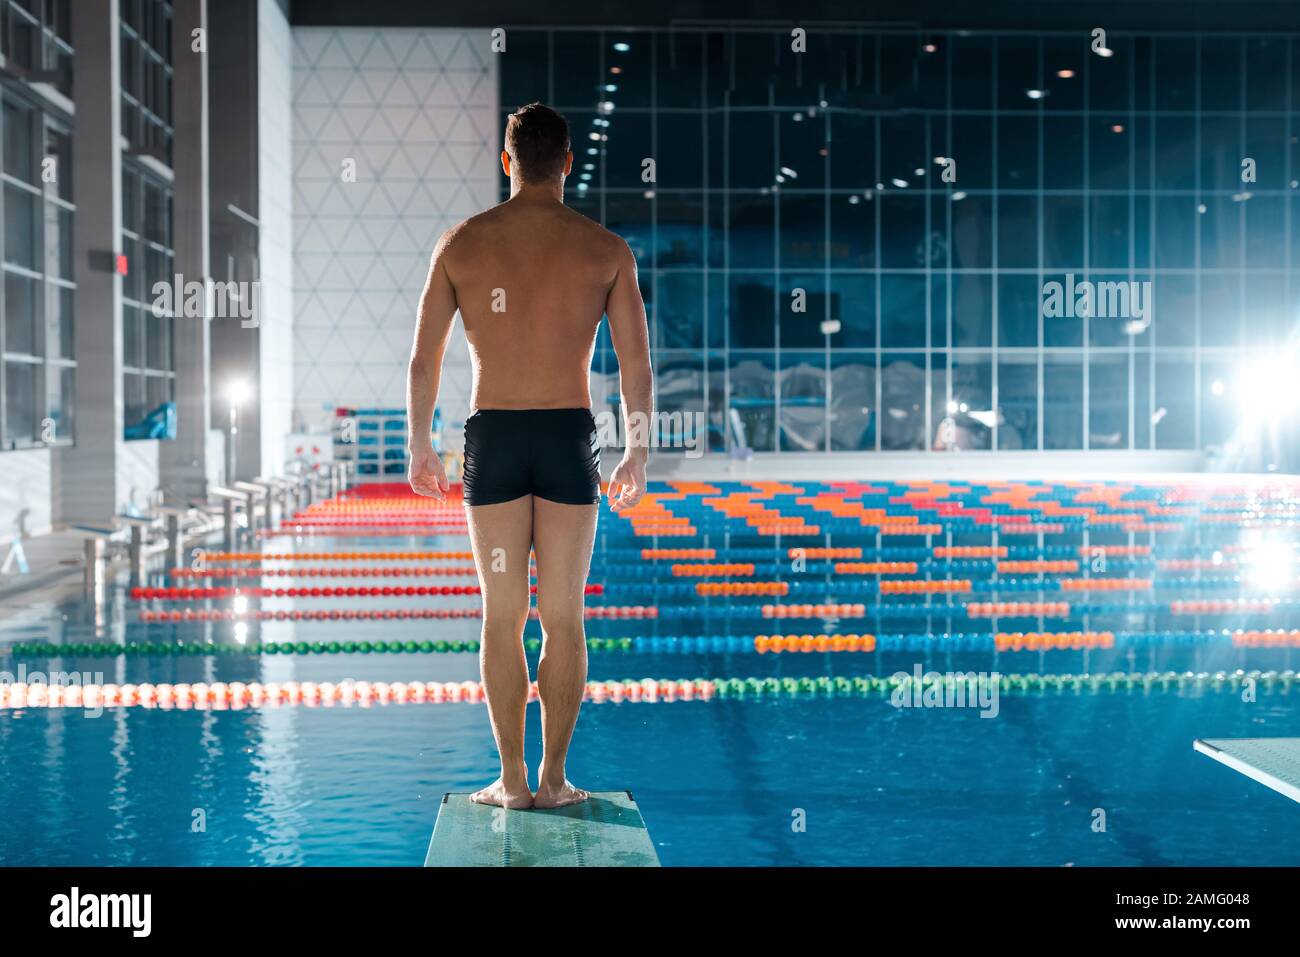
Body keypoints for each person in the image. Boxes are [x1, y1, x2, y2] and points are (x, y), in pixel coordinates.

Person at [405, 103, 653, 809]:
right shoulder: (605, 250)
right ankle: (554, 779)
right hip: (569, 437)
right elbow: (637, 366)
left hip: (496, 438)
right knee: (565, 616)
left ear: (508, 162)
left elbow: (424, 360)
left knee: (501, 614)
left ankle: (510, 781)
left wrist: (420, 444)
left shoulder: (462, 243)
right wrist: (636, 450)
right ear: (568, 163)